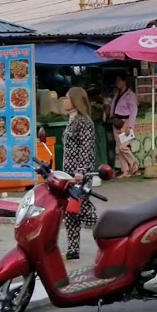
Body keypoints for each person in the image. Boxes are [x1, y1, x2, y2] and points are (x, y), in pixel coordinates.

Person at [60, 87, 98, 261]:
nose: (63, 100)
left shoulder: (84, 122)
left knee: (83, 211)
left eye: (66, 98)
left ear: (75, 100)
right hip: (68, 175)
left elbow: (86, 148)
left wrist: (81, 171)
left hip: (79, 175)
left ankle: (107, 236)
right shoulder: (71, 120)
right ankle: (73, 248)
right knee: (70, 212)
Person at [105, 75, 139, 178]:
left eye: (119, 80)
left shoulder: (130, 95)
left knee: (123, 146)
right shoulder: (118, 94)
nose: (117, 83)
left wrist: (130, 125)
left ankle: (134, 163)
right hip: (117, 121)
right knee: (119, 148)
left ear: (125, 82)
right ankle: (125, 170)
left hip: (125, 121)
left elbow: (134, 111)